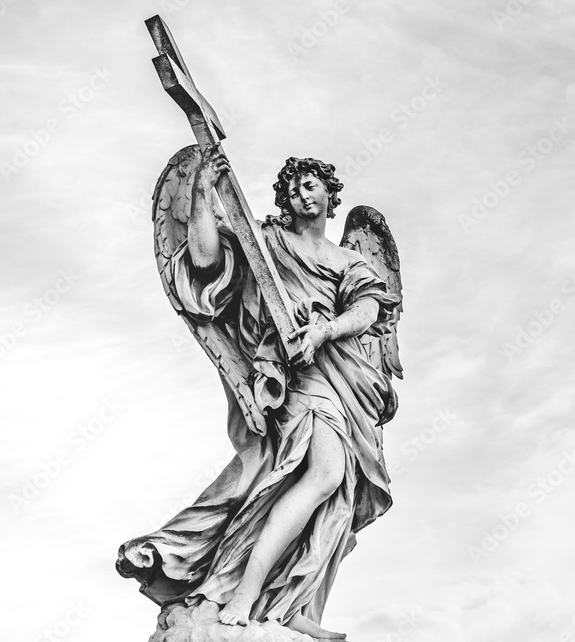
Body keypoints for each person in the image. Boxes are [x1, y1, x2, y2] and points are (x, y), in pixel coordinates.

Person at [117, 146, 399, 640]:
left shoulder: (348, 258)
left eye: (310, 184)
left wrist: (324, 331)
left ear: (331, 196)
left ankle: (290, 600)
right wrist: (204, 193)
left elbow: (369, 311)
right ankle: (245, 591)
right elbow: (206, 261)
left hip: (341, 373)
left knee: (330, 494)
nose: (299, 192)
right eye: (292, 186)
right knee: (324, 472)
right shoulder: (267, 241)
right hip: (292, 375)